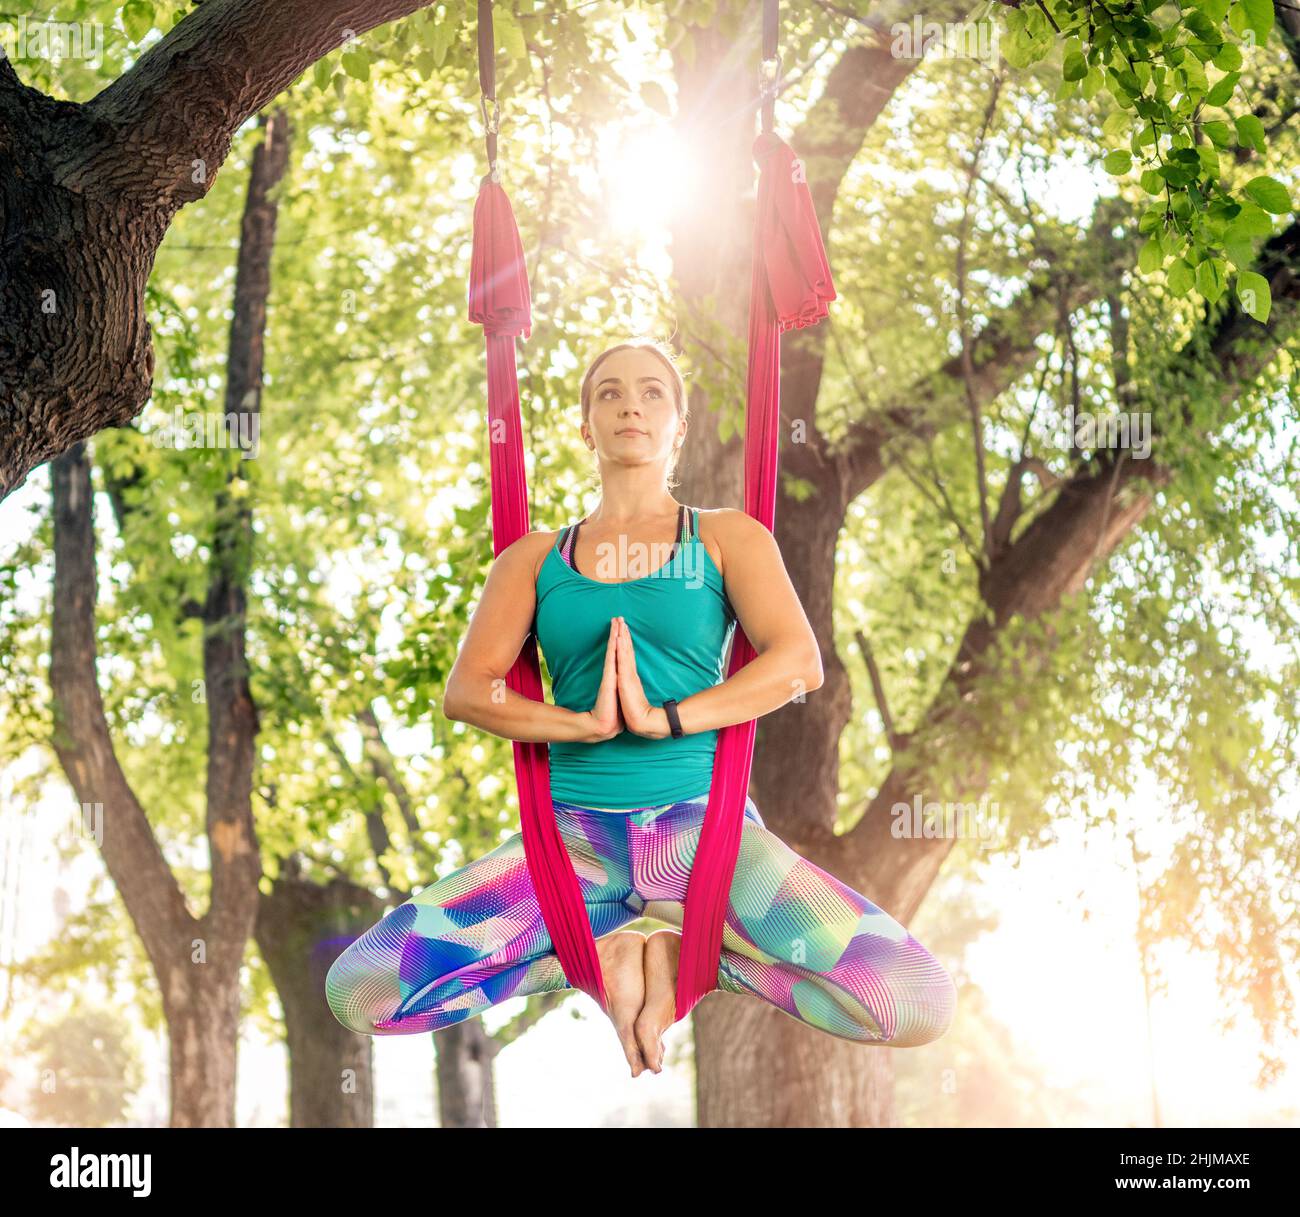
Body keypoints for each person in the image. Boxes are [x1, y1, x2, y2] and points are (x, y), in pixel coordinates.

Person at [326, 337, 956, 1076]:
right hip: (573, 849)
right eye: (610, 393)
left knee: (913, 999)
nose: (632, 403)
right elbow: (470, 689)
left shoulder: (725, 537)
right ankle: (597, 956)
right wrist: (581, 723)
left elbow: (797, 662)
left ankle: (703, 962)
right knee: (362, 988)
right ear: (585, 426)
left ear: (678, 426)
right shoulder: (533, 558)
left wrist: (669, 718)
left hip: (703, 841)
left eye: (654, 392)